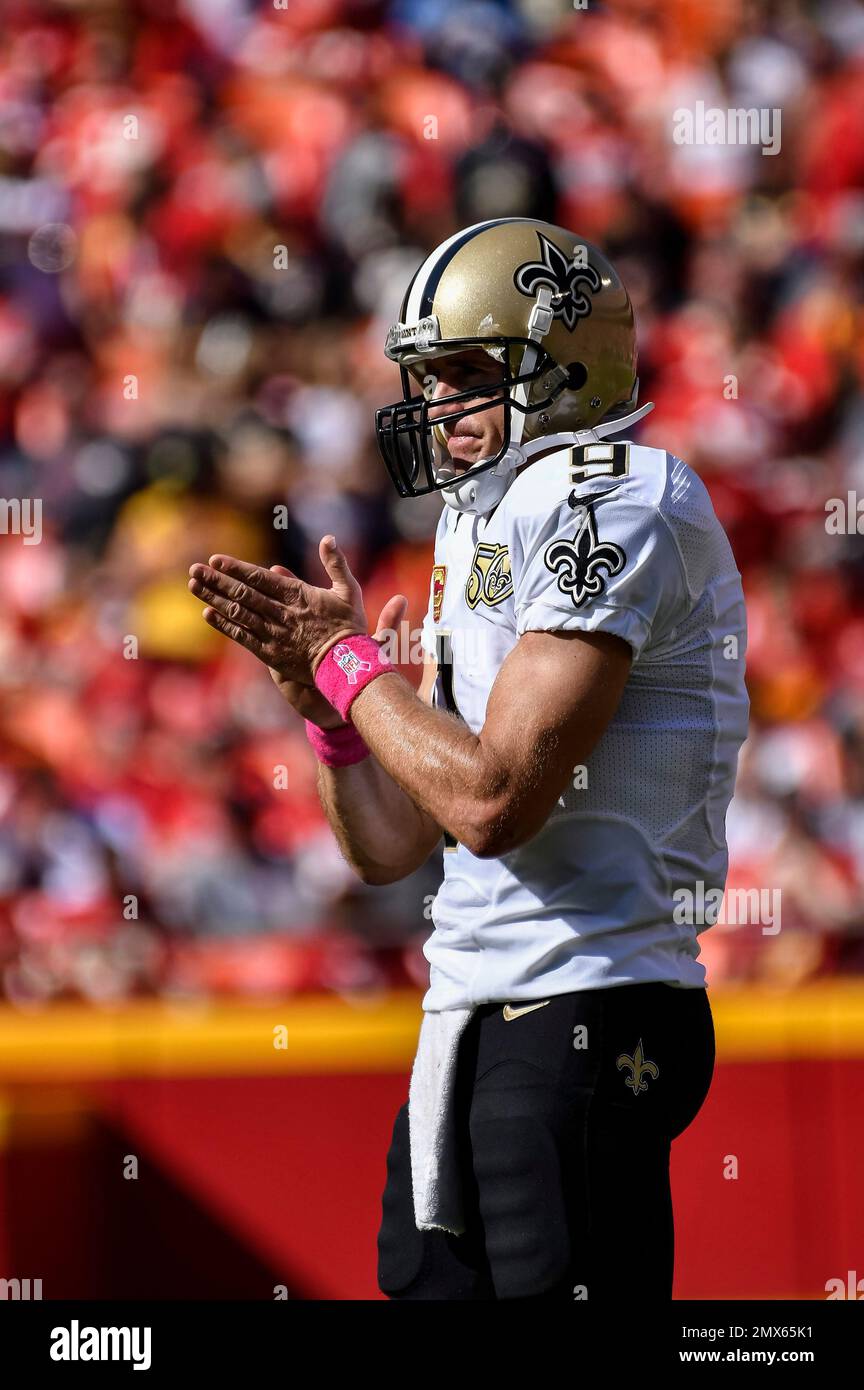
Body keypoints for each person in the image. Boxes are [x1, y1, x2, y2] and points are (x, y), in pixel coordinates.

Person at [188, 217, 749, 1300]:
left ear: (567, 365)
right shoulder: (479, 515)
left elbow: (496, 799)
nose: (438, 403)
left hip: (592, 995)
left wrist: (351, 664)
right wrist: (334, 713)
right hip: (471, 1009)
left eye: (467, 372)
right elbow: (400, 844)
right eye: (428, 374)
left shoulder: (617, 489)